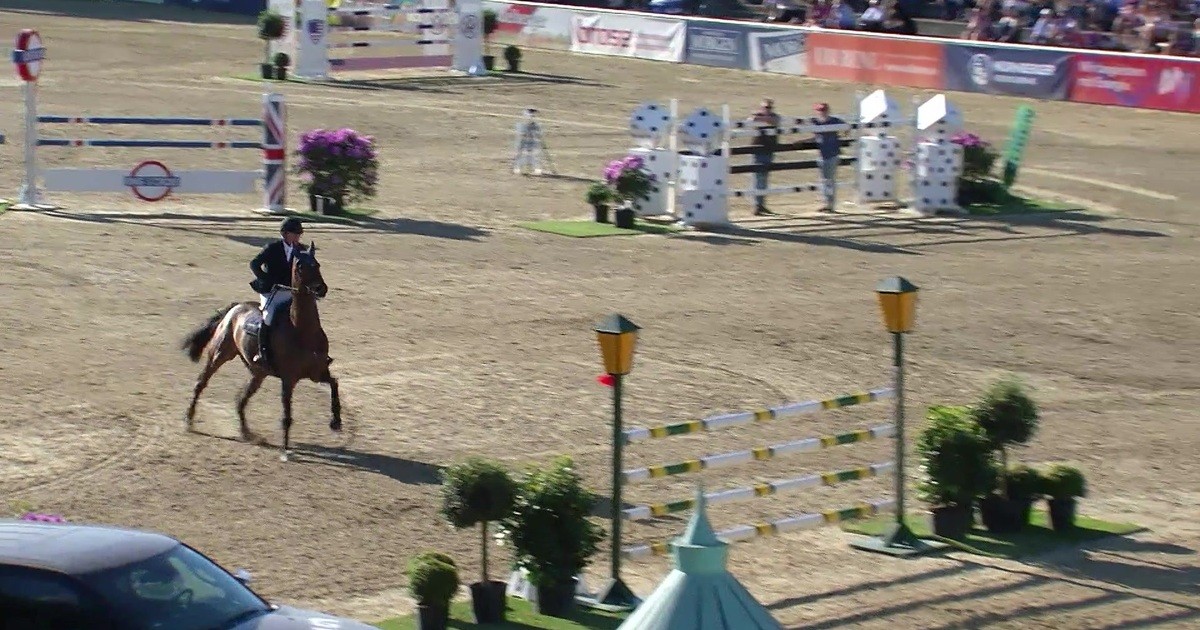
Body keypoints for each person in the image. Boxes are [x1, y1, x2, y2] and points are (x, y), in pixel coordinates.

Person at [249, 217, 306, 368]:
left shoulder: (300, 250)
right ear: (285, 234)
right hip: (271, 292)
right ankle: (262, 353)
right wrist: (267, 280)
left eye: (299, 234)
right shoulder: (272, 248)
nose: (298, 237)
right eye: (295, 233)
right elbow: (254, 264)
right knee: (268, 318)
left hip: (290, 291)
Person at [748, 98, 781, 216]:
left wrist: (762, 118)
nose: (767, 110)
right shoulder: (756, 116)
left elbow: (775, 121)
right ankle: (757, 205)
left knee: (765, 178)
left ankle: (761, 204)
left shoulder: (775, 117)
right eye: (765, 107)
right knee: (758, 178)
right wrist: (761, 118)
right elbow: (750, 121)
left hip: (769, 150)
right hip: (758, 150)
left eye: (769, 107)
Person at [812, 102, 845, 212]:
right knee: (825, 180)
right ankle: (827, 202)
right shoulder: (816, 122)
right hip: (823, 154)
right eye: (820, 110)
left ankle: (829, 204)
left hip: (832, 154)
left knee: (828, 180)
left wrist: (843, 135)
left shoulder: (834, 121)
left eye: (823, 110)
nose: (822, 112)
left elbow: (846, 127)